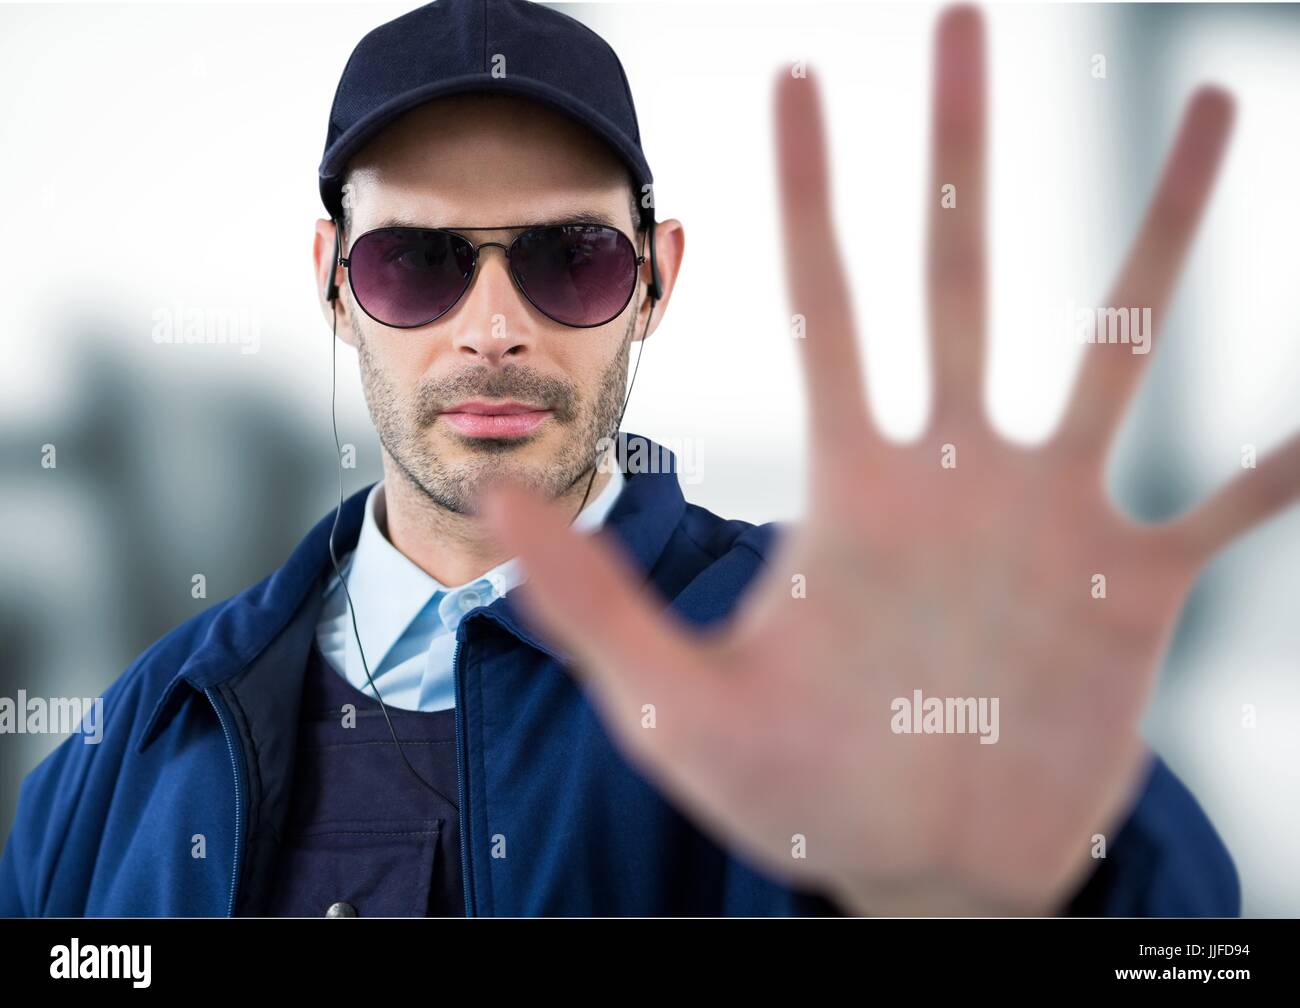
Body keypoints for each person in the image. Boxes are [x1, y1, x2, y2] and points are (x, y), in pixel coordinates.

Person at [4, 0, 1289, 917]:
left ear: (654, 281)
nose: (493, 329)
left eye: (571, 259)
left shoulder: (843, 651)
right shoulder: (121, 756)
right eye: (417, 264)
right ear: (334, 287)